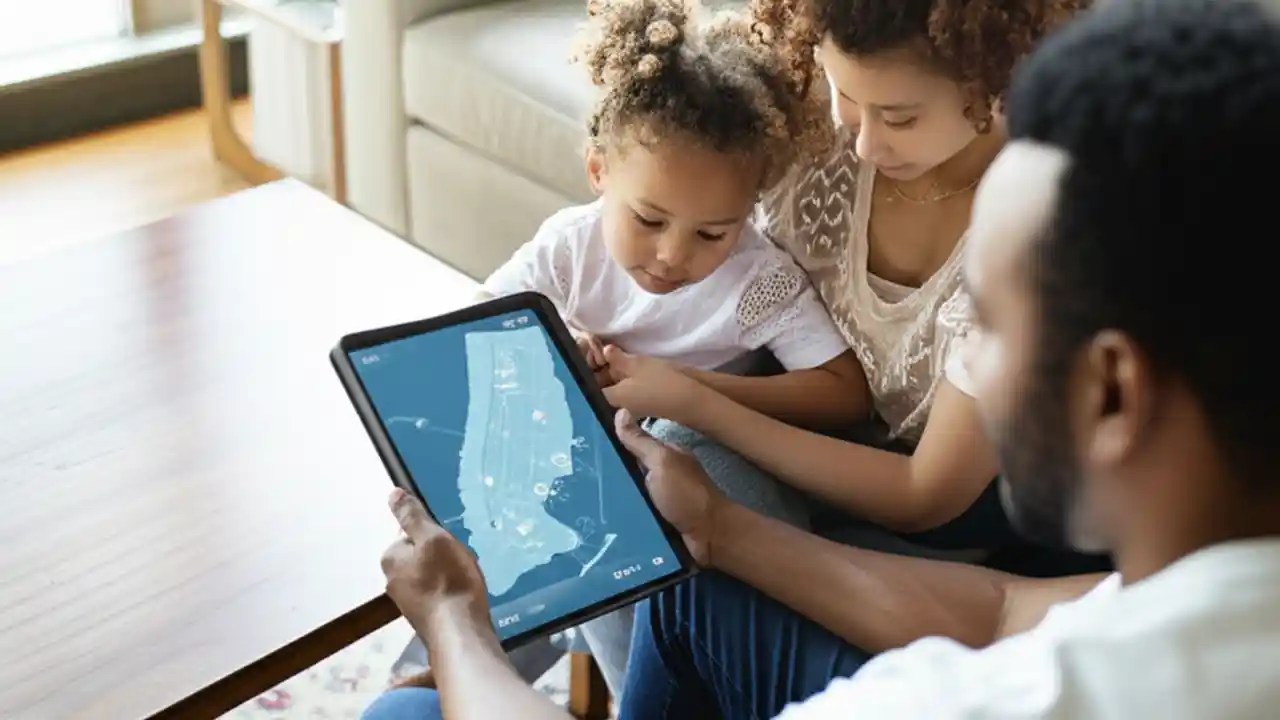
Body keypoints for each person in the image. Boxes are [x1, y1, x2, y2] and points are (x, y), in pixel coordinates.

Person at [361, 0, 1280, 717]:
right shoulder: (1178, 607)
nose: (860, 138)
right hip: (858, 535)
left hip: (903, 523)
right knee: (682, 560)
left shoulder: (1000, 699)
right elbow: (1000, 610)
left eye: (989, 323)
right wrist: (722, 528)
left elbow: (970, 575)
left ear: (1113, 386)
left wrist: (452, 624)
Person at [582, 0, 1095, 691]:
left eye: (900, 116)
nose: (863, 146)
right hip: (804, 429)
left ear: (995, 79)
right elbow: (655, 176)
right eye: (843, 94)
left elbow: (925, 498)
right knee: (619, 445)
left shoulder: (1036, 222)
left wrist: (695, 397)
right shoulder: (803, 117)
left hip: (942, 529)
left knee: (671, 459)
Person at [480, 0, 864, 430]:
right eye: (649, 221)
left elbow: (844, 393)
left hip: (690, 447)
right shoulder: (570, 248)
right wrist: (556, 343)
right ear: (598, 169)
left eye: (712, 234)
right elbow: (480, 316)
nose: (672, 255)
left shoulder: (757, 282)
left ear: (750, 207)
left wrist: (687, 389)